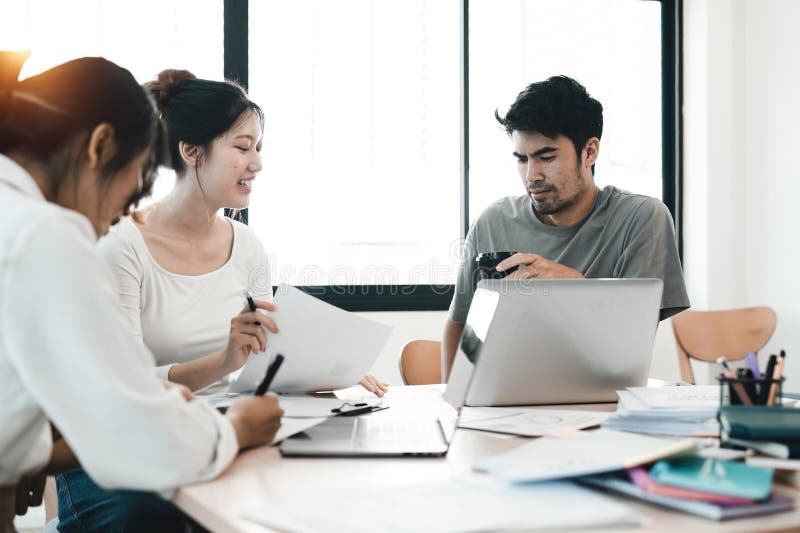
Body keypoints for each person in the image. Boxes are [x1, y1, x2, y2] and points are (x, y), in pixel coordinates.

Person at [0, 51, 283, 532]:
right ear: (99, 146)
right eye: (129, 190)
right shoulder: (44, 234)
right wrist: (237, 428)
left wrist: (32, 453)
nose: (114, 217)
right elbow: (137, 433)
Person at [442, 75, 690, 379]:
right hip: (506, 403)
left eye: (546, 157)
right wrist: (456, 406)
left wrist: (573, 285)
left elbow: (631, 343)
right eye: (522, 159)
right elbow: (460, 327)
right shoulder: (492, 222)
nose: (531, 175)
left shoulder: (642, 219)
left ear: (589, 152)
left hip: (601, 402)